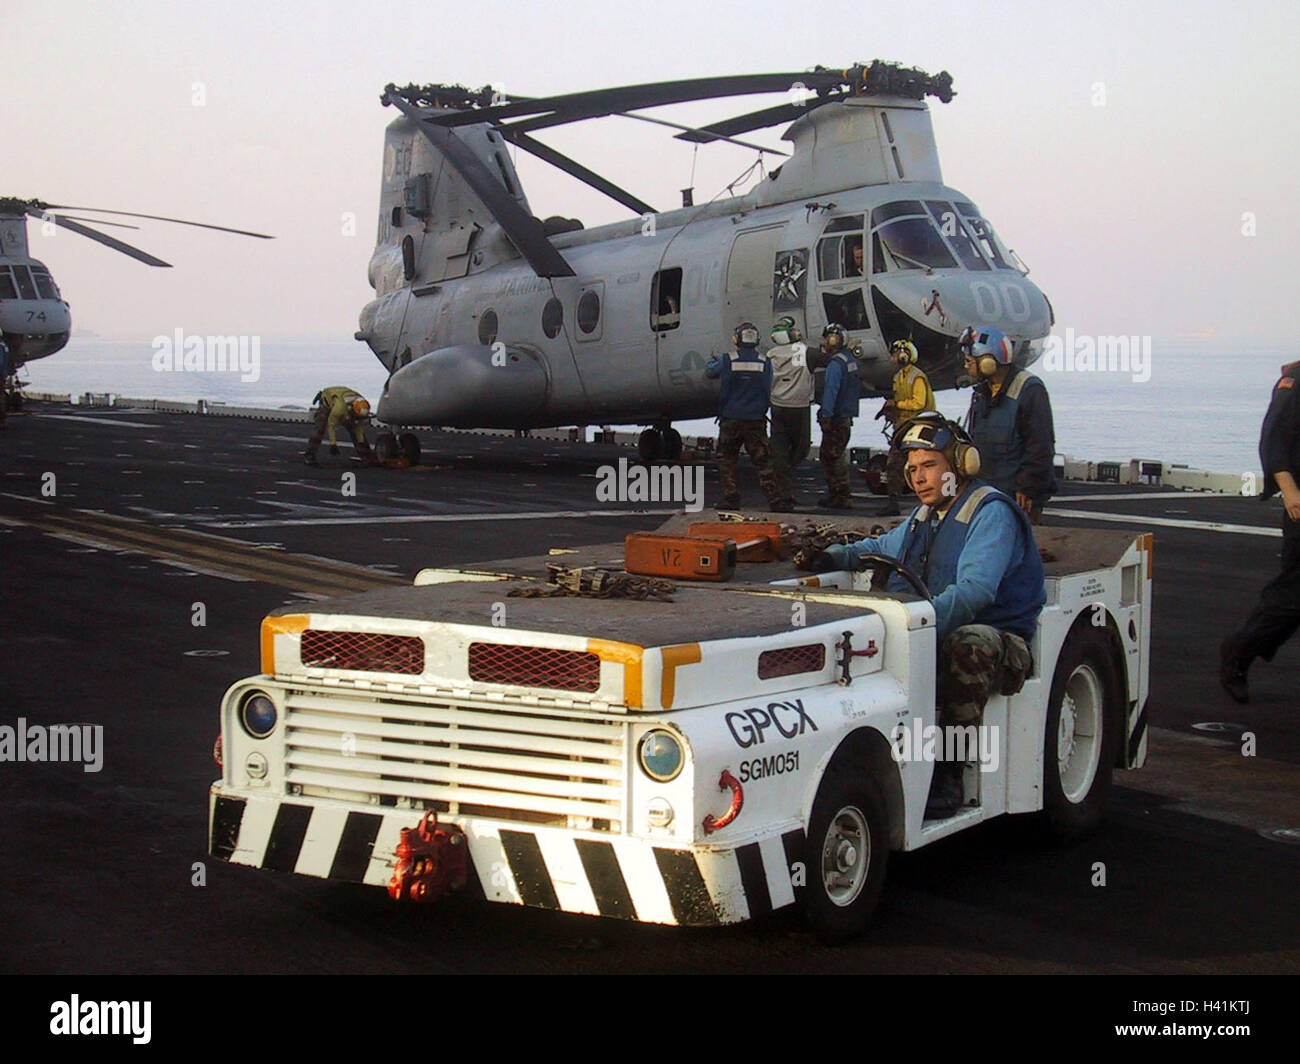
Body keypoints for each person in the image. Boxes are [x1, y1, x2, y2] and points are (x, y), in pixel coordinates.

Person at [808, 414, 1044, 817]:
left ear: (961, 463)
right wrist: (831, 555)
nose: (918, 478)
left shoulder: (990, 513)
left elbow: (976, 592)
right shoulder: (925, 516)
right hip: (930, 629)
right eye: (913, 469)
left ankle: (948, 773)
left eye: (929, 466)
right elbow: (883, 546)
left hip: (999, 641)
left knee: (970, 643)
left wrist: (913, 628)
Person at [1221, 359, 1300, 703]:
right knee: (1292, 597)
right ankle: (1241, 648)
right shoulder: (1294, 382)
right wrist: (1290, 490)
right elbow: (1273, 438)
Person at [961, 324, 1057, 523]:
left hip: (1018, 498)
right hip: (987, 493)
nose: (966, 366)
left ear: (987, 362)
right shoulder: (982, 393)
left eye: (969, 361)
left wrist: (1028, 487)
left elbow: (1040, 444)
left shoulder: (1029, 390)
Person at [706, 322, 784, 511]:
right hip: (755, 419)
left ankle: (731, 499)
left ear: (736, 339)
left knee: (727, 460)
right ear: (757, 340)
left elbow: (710, 372)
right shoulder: (765, 362)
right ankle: (775, 500)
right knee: (763, 462)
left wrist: (712, 360)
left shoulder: (728, 359)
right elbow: (767, 390)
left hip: (731, 418)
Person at [877, 338, 935, 515]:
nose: (893, 357)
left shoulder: (916, 376)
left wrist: (897, 404)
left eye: (895, 354)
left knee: (918, 465)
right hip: (903, 425)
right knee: (895, 464)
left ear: (904, 355)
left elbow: (919, 403)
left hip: (918, 426)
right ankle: (893, 501)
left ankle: (929, 503)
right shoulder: (898, 376)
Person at [766, 315, 813, 509]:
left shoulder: (771, 355)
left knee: (779, 452)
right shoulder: (801, 351)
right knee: (801, 448)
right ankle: (787, 478)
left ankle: (783, 492)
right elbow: (827, 358)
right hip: (799, 407)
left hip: (778, 406)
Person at [816, 323, 862, 509]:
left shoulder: (835, 364)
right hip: (846, 416)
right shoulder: (849, 360)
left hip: (836, 418)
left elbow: (831, 391)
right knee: (838, 456)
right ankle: (841, 495)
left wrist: (826, 414)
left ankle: (839, 496)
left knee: (829, 458)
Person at [303, 386, 377, 466]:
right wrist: (333, 444)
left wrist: (361, 441)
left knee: (354, 430)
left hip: (343, 401)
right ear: (352, 409)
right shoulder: (340, 409)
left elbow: (358, 428)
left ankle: (367, 456)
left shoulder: (362, 405)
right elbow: (331, 426)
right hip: (327, 403)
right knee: (319, 428)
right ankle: (310, 455)